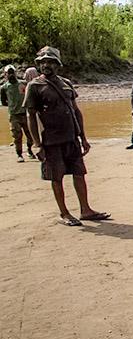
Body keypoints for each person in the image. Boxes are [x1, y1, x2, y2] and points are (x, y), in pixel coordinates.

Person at [24, 46, 110, 226]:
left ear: (58, 65)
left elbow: (76, 111)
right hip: (51, 141)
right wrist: (37, 144)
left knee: (79, 173)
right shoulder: (34, 86)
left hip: (72, 139)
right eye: (43, 62)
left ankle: (86, 210)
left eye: (51, 62)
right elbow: (31, 116)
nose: (46, 65)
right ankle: (64, 213)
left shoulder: (66, 83)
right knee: (57, 177)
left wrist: (83, 138)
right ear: (39, 65)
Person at [1, 65, 35, 162]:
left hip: (25, 113)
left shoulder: (23, 84)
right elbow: (3, 102)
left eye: (12, 72)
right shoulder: (4, 88)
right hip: (14, 115)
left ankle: (29, 150)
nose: (11, 74)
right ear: (5, 75)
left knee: (30, 134)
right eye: (9, 73)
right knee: (17, 136)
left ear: (15, 73)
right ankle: (19, 154)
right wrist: (13, 106)